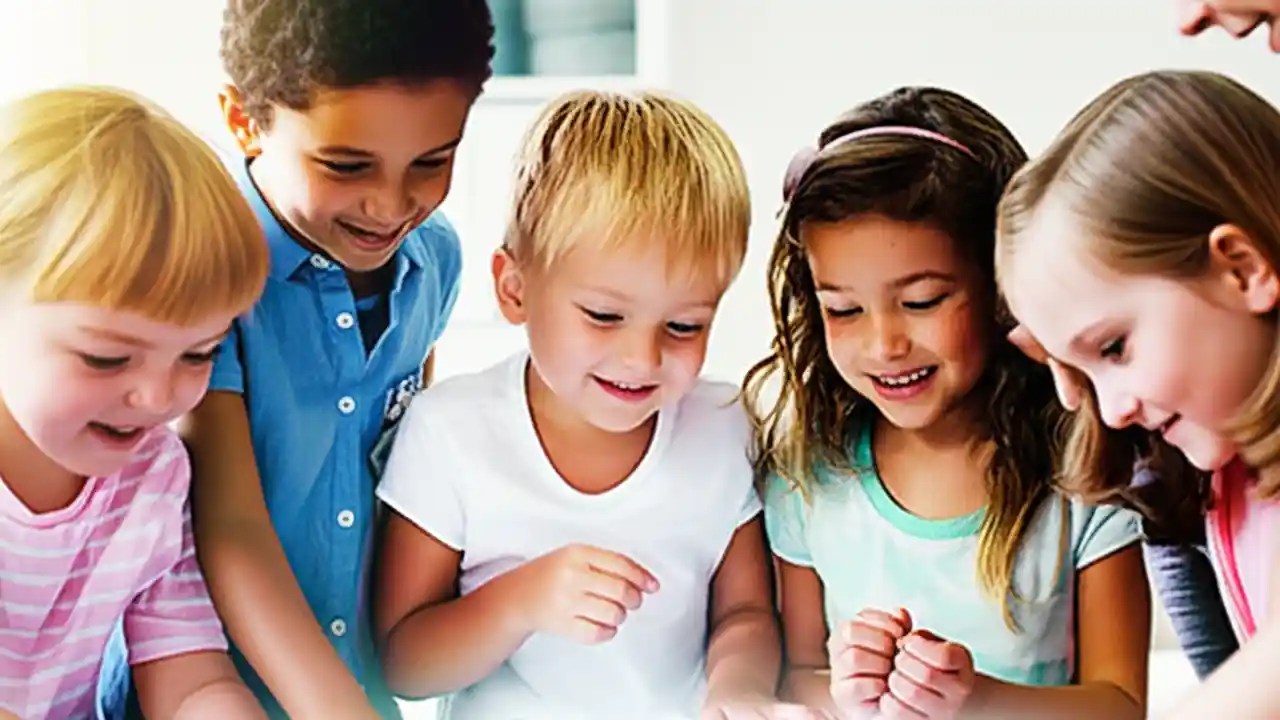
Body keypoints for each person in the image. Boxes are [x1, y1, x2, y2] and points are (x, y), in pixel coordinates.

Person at [374, 90, 795, 720]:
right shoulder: (450, 433)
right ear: (514, 289)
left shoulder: (723, 424)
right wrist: (520, 600)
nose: (641, 358)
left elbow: (745, 613)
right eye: (604, 315)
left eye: (683, 326)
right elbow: (405, 662)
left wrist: (739, 691)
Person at [746, 86, 1150, 719]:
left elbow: (1121, 705)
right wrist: (847, 691)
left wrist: (976, 701)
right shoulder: (809, 473)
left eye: (923, 301)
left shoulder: (1084, 470)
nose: (885, 344)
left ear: (1000, 285)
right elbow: (797, 674)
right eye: (843, 309)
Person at [180, 1, 494, 716]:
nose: (390, 205)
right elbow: (228, 525)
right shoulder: (205, 263)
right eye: (347, 165)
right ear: (243, 122)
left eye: (432, 161)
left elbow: (406, 464)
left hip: (364, 684)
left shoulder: (434, 258)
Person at [995, 69, 1280, 719]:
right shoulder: (1226, 472)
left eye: (1115, 347)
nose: (1113, 407)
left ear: (1242, 269)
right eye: (1078, 370)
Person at [0, 85, 268, 719]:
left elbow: (191, 678)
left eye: (198, 354)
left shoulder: (153, 476)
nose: (157, 397)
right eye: (105, 357)